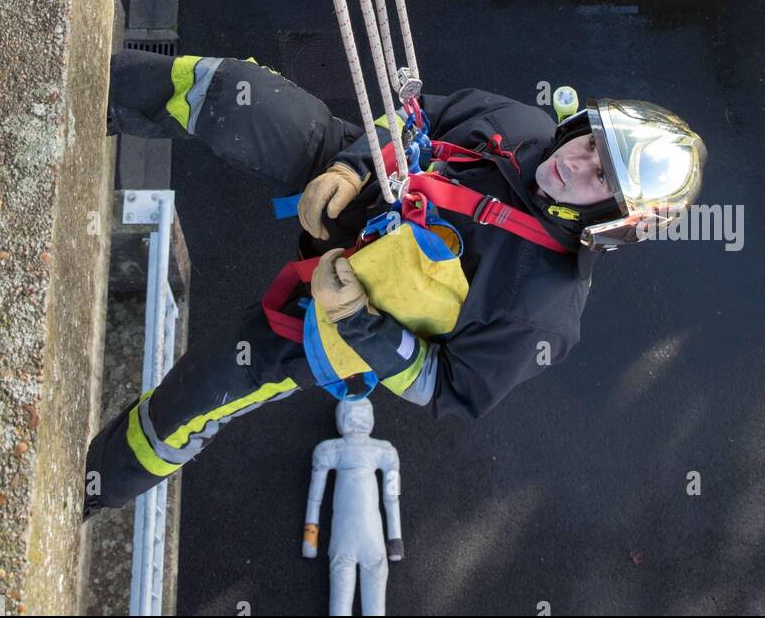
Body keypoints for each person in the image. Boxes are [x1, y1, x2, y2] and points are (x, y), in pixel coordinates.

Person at [83, 50, 706, 516]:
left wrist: (356, 319)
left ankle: (84, 487)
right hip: (350, 192)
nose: (574, 164)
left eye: (599, 178)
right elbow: (420, 118)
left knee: (195, 400)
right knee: (234, 91)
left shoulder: (543, 310)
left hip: (337, 320)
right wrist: (351, 168)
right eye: (590, 144)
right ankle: (82, 85)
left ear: (611, 221)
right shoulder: (520, 125)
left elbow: (445, 387)